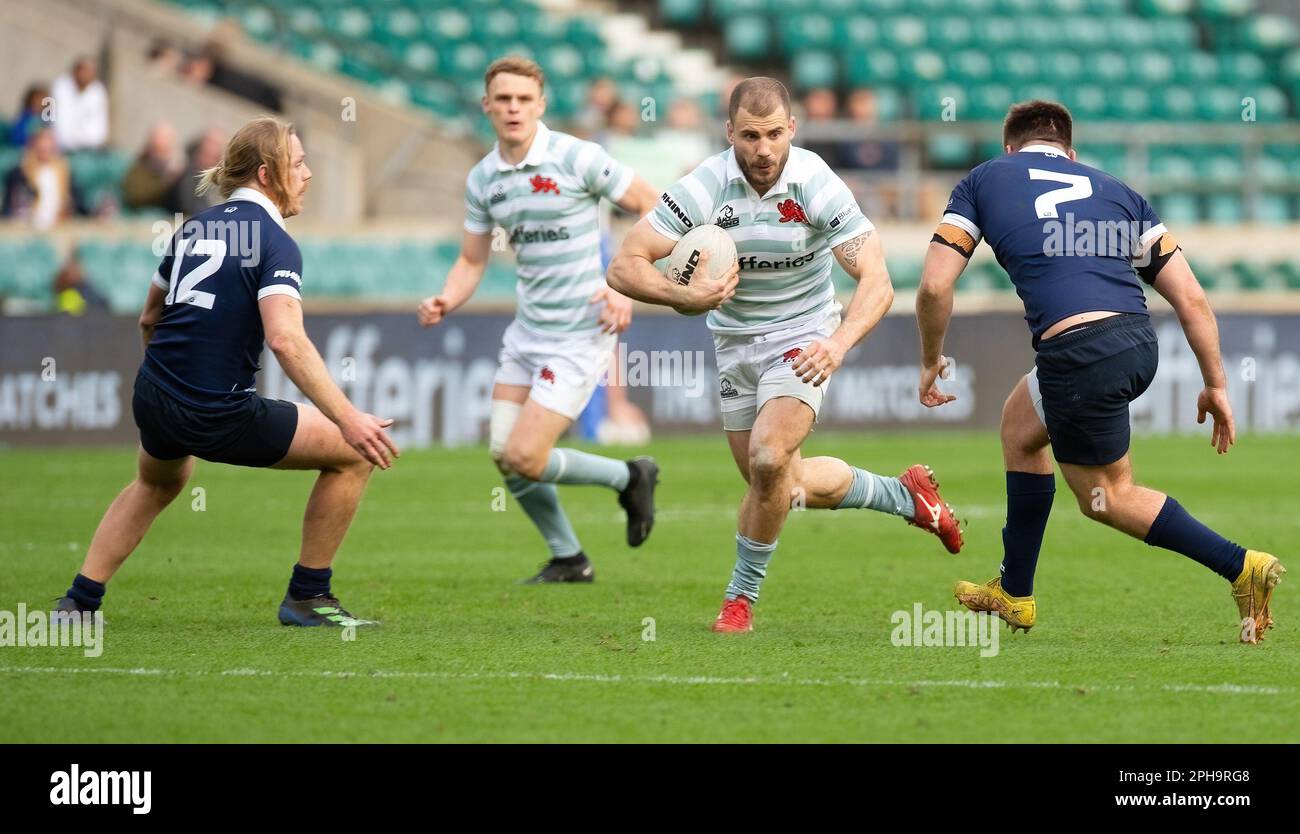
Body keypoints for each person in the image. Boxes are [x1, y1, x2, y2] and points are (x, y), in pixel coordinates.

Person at [916, 100, 1285, 643]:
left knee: (1108, 497)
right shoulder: (1119, 191)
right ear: (1070, 154)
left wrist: (931, 359)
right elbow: (1191, 297)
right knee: (1020, 425)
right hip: (1135, 340)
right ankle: (1014, 591)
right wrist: (1216, 385)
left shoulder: (985, 178)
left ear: (1010, 148)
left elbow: (933, 285)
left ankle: (1241, 566)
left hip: (1078, 354)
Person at [607, 77, 963, 633]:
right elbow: (624, 265)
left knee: (769, 459)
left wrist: (836, 344)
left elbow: (877, 281)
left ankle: (739, 601)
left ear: (792, 128)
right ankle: (904, 495)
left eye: (775, 134)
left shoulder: (814, 183)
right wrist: (682, 295)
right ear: (729, 133)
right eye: (750, 136)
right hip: (734, 344)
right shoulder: (704, 186)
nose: (764, 148)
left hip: (803, 335)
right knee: (779, 485)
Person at [53, 116, 398, 627]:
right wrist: (348, 418)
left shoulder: (194, 227)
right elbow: (285, 339)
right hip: (213, 409)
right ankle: (308, 598)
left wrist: (168, 383)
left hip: (154, 393)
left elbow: (149, 317)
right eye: (298, 164)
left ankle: (78, 603)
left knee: (156, 483)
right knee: (352, 453)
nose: (307, 175)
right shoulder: (275, 241)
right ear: (266, 174)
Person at [417, 56, 662, 584]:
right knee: (504, 454)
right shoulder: (483, 179)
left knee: (526, 456)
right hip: (527, 333)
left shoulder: (576, 157)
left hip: (581, 332)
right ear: (487, 105)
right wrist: (446, 298)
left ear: (540, 105)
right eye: (504, 99)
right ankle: (569, 557)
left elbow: (654, 206)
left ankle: (628, 476)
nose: (514, 108)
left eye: (524, 99)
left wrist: (623, 282)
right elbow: (472, 260)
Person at [1, 127, 87, 228]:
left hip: (60, 226)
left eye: (48, 141)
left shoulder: (66, 172)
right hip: (28, 226)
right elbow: (8, 209)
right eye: (41, 141)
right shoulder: (19, 173)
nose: (44, 145)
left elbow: (79, 207)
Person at [50, 56, 109, 152]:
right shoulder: (61, 86)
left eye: (90, 72)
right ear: (75, 71)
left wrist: (86, 142)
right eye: (84, 71)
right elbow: (58, 121)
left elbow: (99, 127)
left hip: (89, 149)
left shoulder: (98, 91)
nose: (86, 75)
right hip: (61, 147)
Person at [122, 121, 180, 211]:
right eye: (157, 150)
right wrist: (166, 182)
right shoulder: (139, 168)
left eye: (164, 150)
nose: (160, 156)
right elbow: (136, 196)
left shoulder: (178, 168)